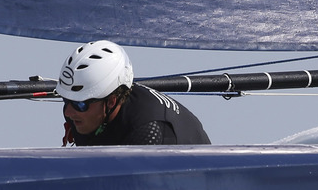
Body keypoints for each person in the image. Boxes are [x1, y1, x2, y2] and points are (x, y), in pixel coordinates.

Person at [58, 40, 211, 147]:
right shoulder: (84, 111)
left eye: (80, 104)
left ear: (111, 101)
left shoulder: (149, 132)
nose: (69, 112)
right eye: (66, 100)